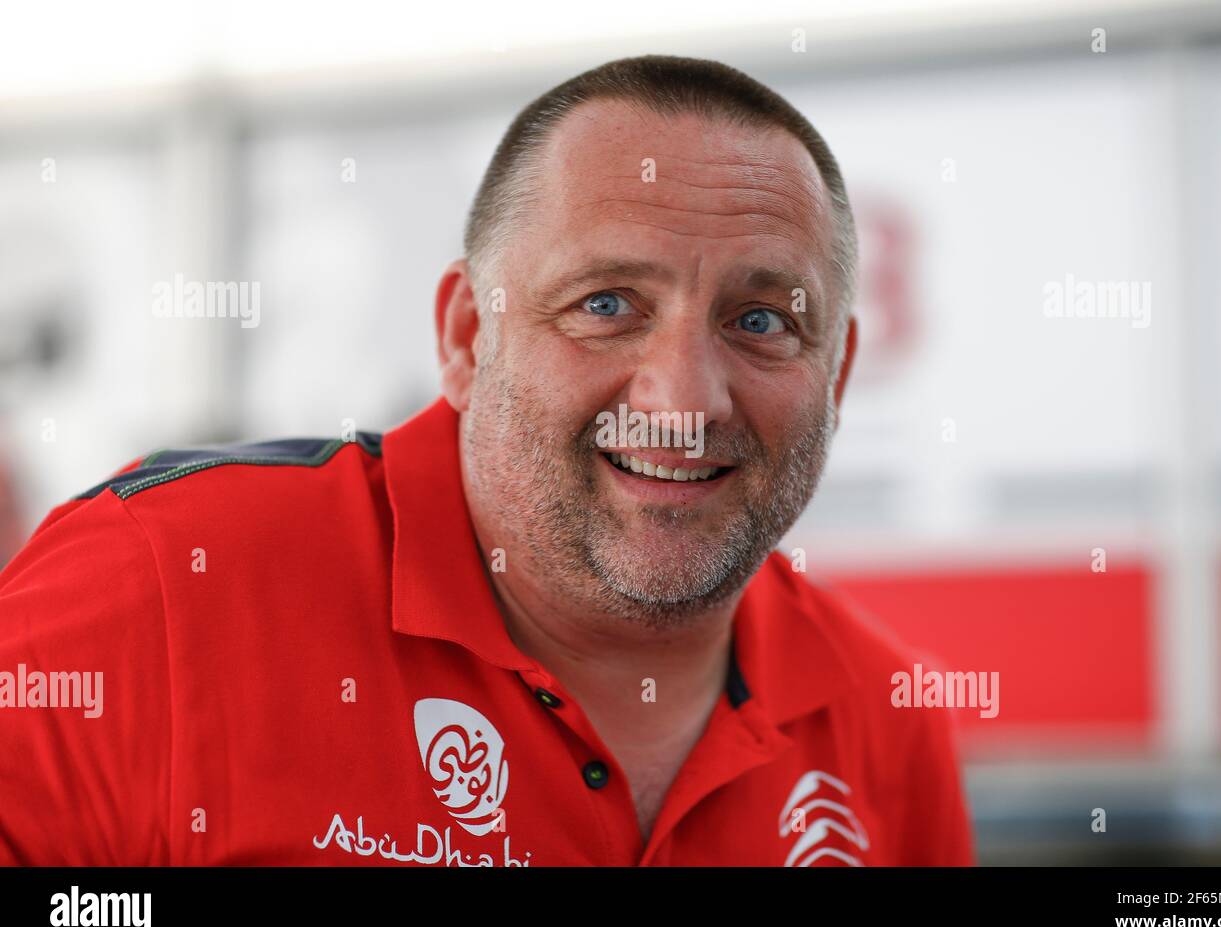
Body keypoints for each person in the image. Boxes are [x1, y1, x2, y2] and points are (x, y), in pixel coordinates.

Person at [0, 54, 973, 866]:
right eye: (605, 305)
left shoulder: (884, 718)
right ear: (467, 336)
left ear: (837, 372)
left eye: (759, 320)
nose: (683, 400)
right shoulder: (152, 592)